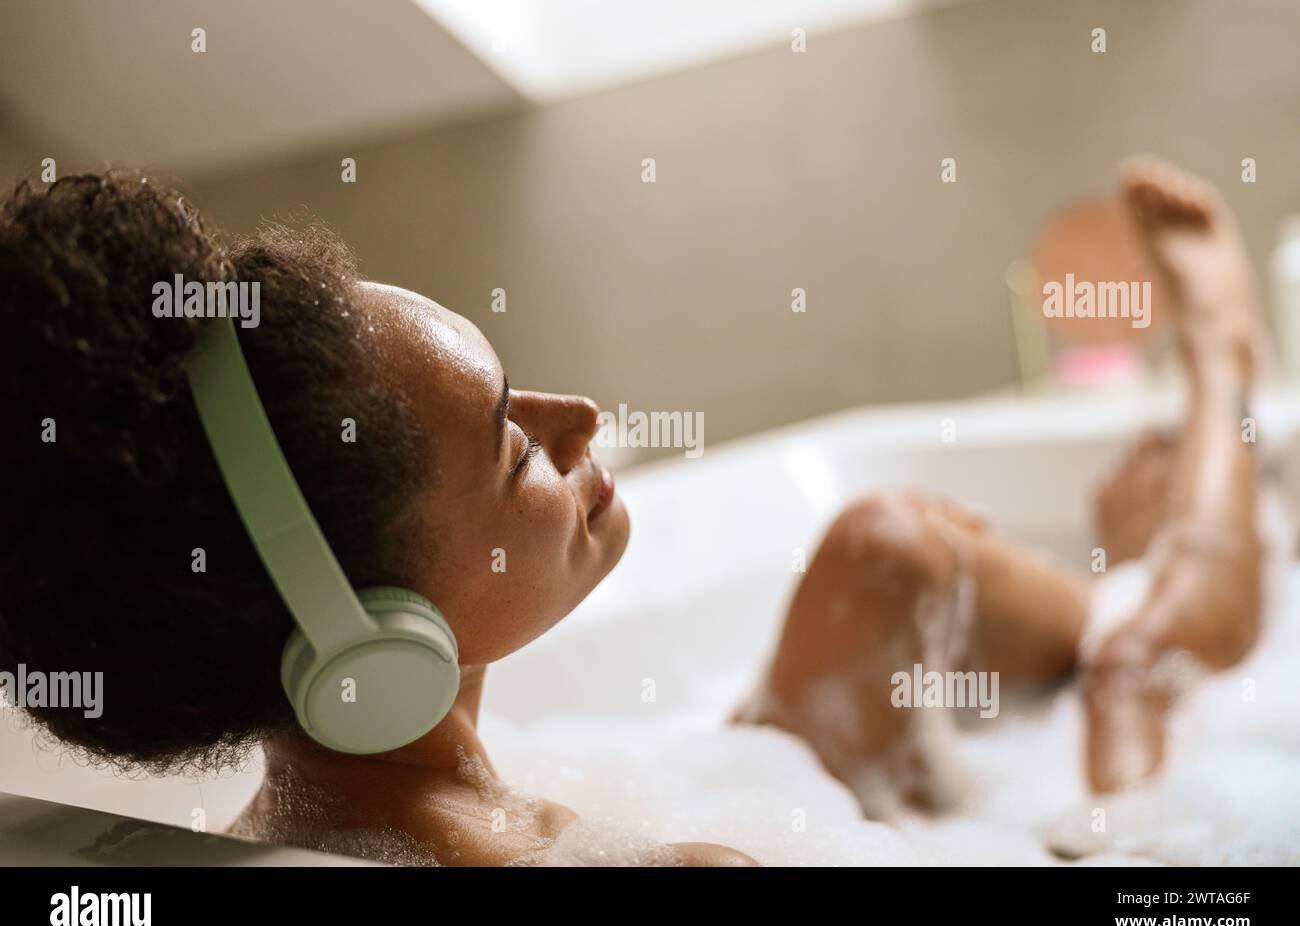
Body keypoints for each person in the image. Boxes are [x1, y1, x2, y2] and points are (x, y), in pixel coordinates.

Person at [0, 158, 1265, 865]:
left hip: (737, 779)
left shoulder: (340, 796)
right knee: (1138, 665)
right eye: (509, 442)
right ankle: (1222, 372)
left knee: (892, 548)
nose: (580, 414)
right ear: (371, 646)